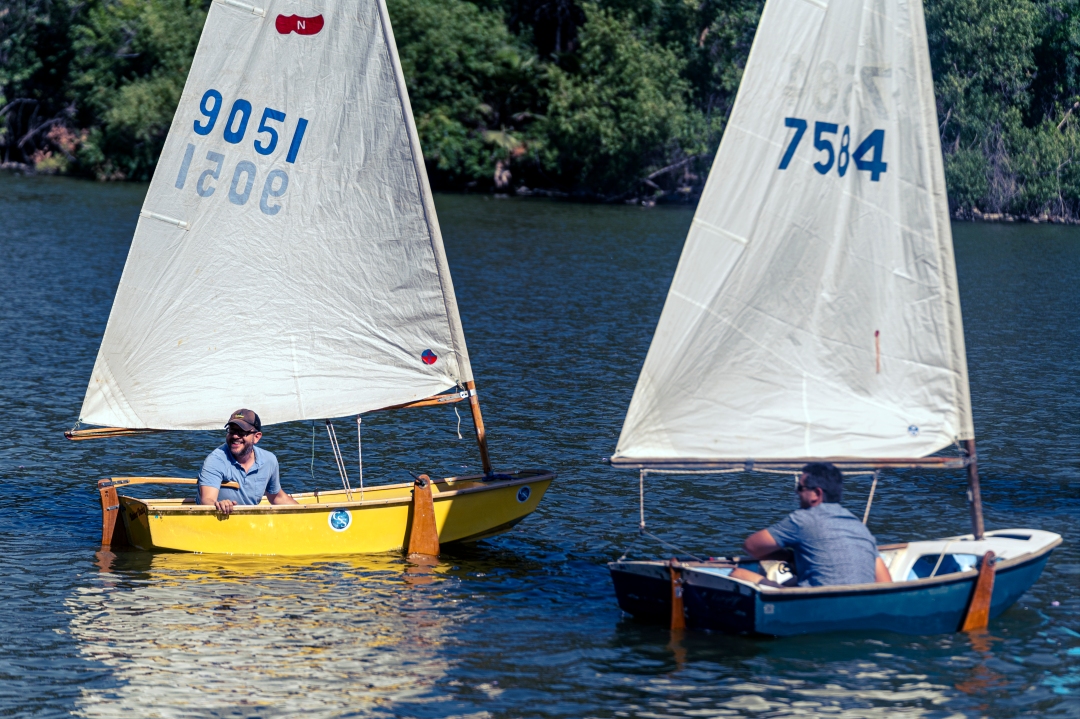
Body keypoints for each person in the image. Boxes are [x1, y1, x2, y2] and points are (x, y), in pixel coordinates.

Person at [729, 462, 892, 587]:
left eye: (800, 488)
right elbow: (885, 583)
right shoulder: (859, 527)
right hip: (860, 605)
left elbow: (751, 546)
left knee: (738, 574)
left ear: (816, 493)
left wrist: (788, 557)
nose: (796, 492)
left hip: (819, 605)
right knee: (793, 581)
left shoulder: (803, 519)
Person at [197, 409, 299, 515]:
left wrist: (307, 514)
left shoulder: (269, 461)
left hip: (250, 523)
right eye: (231, 431)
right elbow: (207, 501)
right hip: (218, 520)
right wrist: (219, 504)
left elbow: (277, 498)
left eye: (241, 432)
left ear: (256, 437)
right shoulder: (215, 460)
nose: (235, 436)